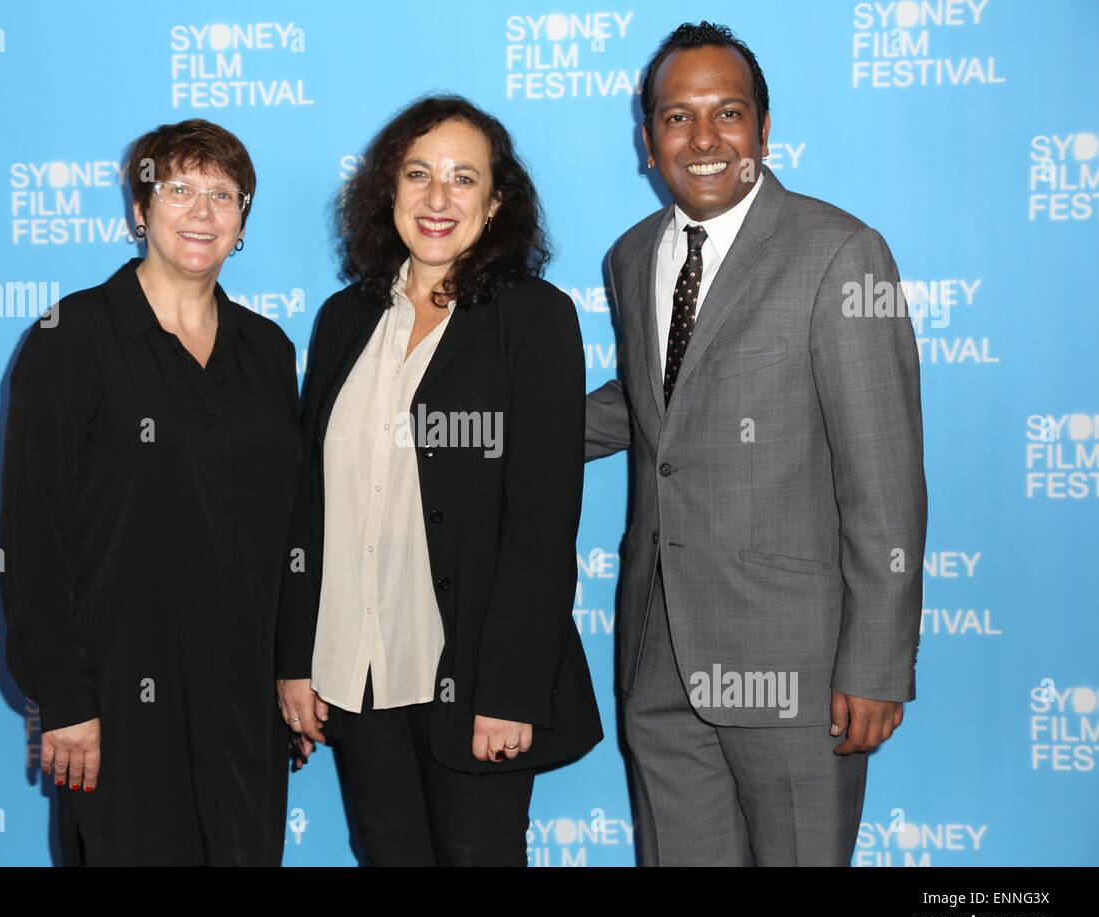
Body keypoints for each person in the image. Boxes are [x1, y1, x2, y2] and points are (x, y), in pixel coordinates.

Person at [585, 22, 926, 866]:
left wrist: (877, 664)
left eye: (727, 113)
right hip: (658, 660)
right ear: (648, 139)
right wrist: (486, 429)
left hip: (800, 672)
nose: (703, 140)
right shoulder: (631, 258)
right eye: (677, 117)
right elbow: (651, 408)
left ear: (764, 130)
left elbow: (883, 474)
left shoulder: (839, 252)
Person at [275, 95, 602, 866]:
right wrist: (296, 659)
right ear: (387, 191)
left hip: (471, 676)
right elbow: (308, 509)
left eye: (463, 178)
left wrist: (510, 694)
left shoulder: (535, 318)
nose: (437, 197)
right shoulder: (343, 319)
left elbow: (543, 521)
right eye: (418, 174)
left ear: (495, 202)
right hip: (356, 670)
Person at [0, 118, 300, 865]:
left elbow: (294, 525)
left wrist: (293, 666)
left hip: (243, 700)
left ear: (243, 219)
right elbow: (32, 535)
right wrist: (64, 702)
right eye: (179, 189)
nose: (202, 211)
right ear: (139, 209)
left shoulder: (268, 350)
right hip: (115, 697)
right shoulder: (69, 336)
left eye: (223, 194)